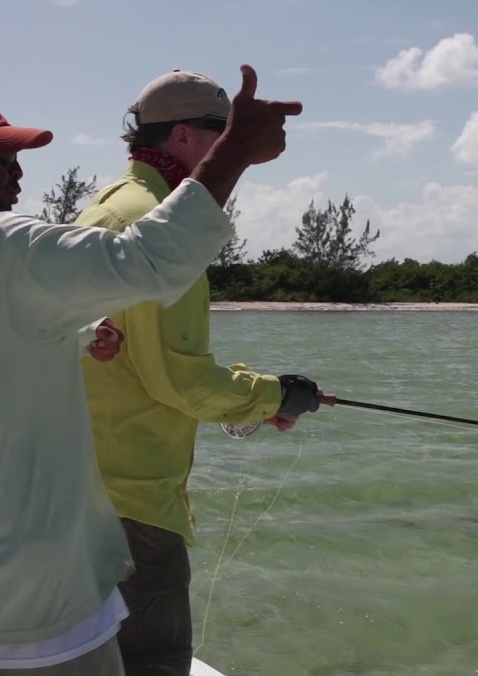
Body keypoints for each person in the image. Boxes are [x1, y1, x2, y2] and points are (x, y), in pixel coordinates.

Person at [0, 65, 303, 676]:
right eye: (0, 158)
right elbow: (155, 259)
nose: (17, 174)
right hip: (38, 602)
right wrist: (234, 151)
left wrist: (79, 336)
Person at [72, 69, 329, 676]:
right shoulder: (160, 226)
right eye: (223, 131)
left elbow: (139, 362)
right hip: (134, 509)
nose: (231, 142)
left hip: (74, 497)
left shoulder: (103, 208)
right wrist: (277, 397)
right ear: (185, 135)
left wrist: (265, 398)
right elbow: (178, 381)